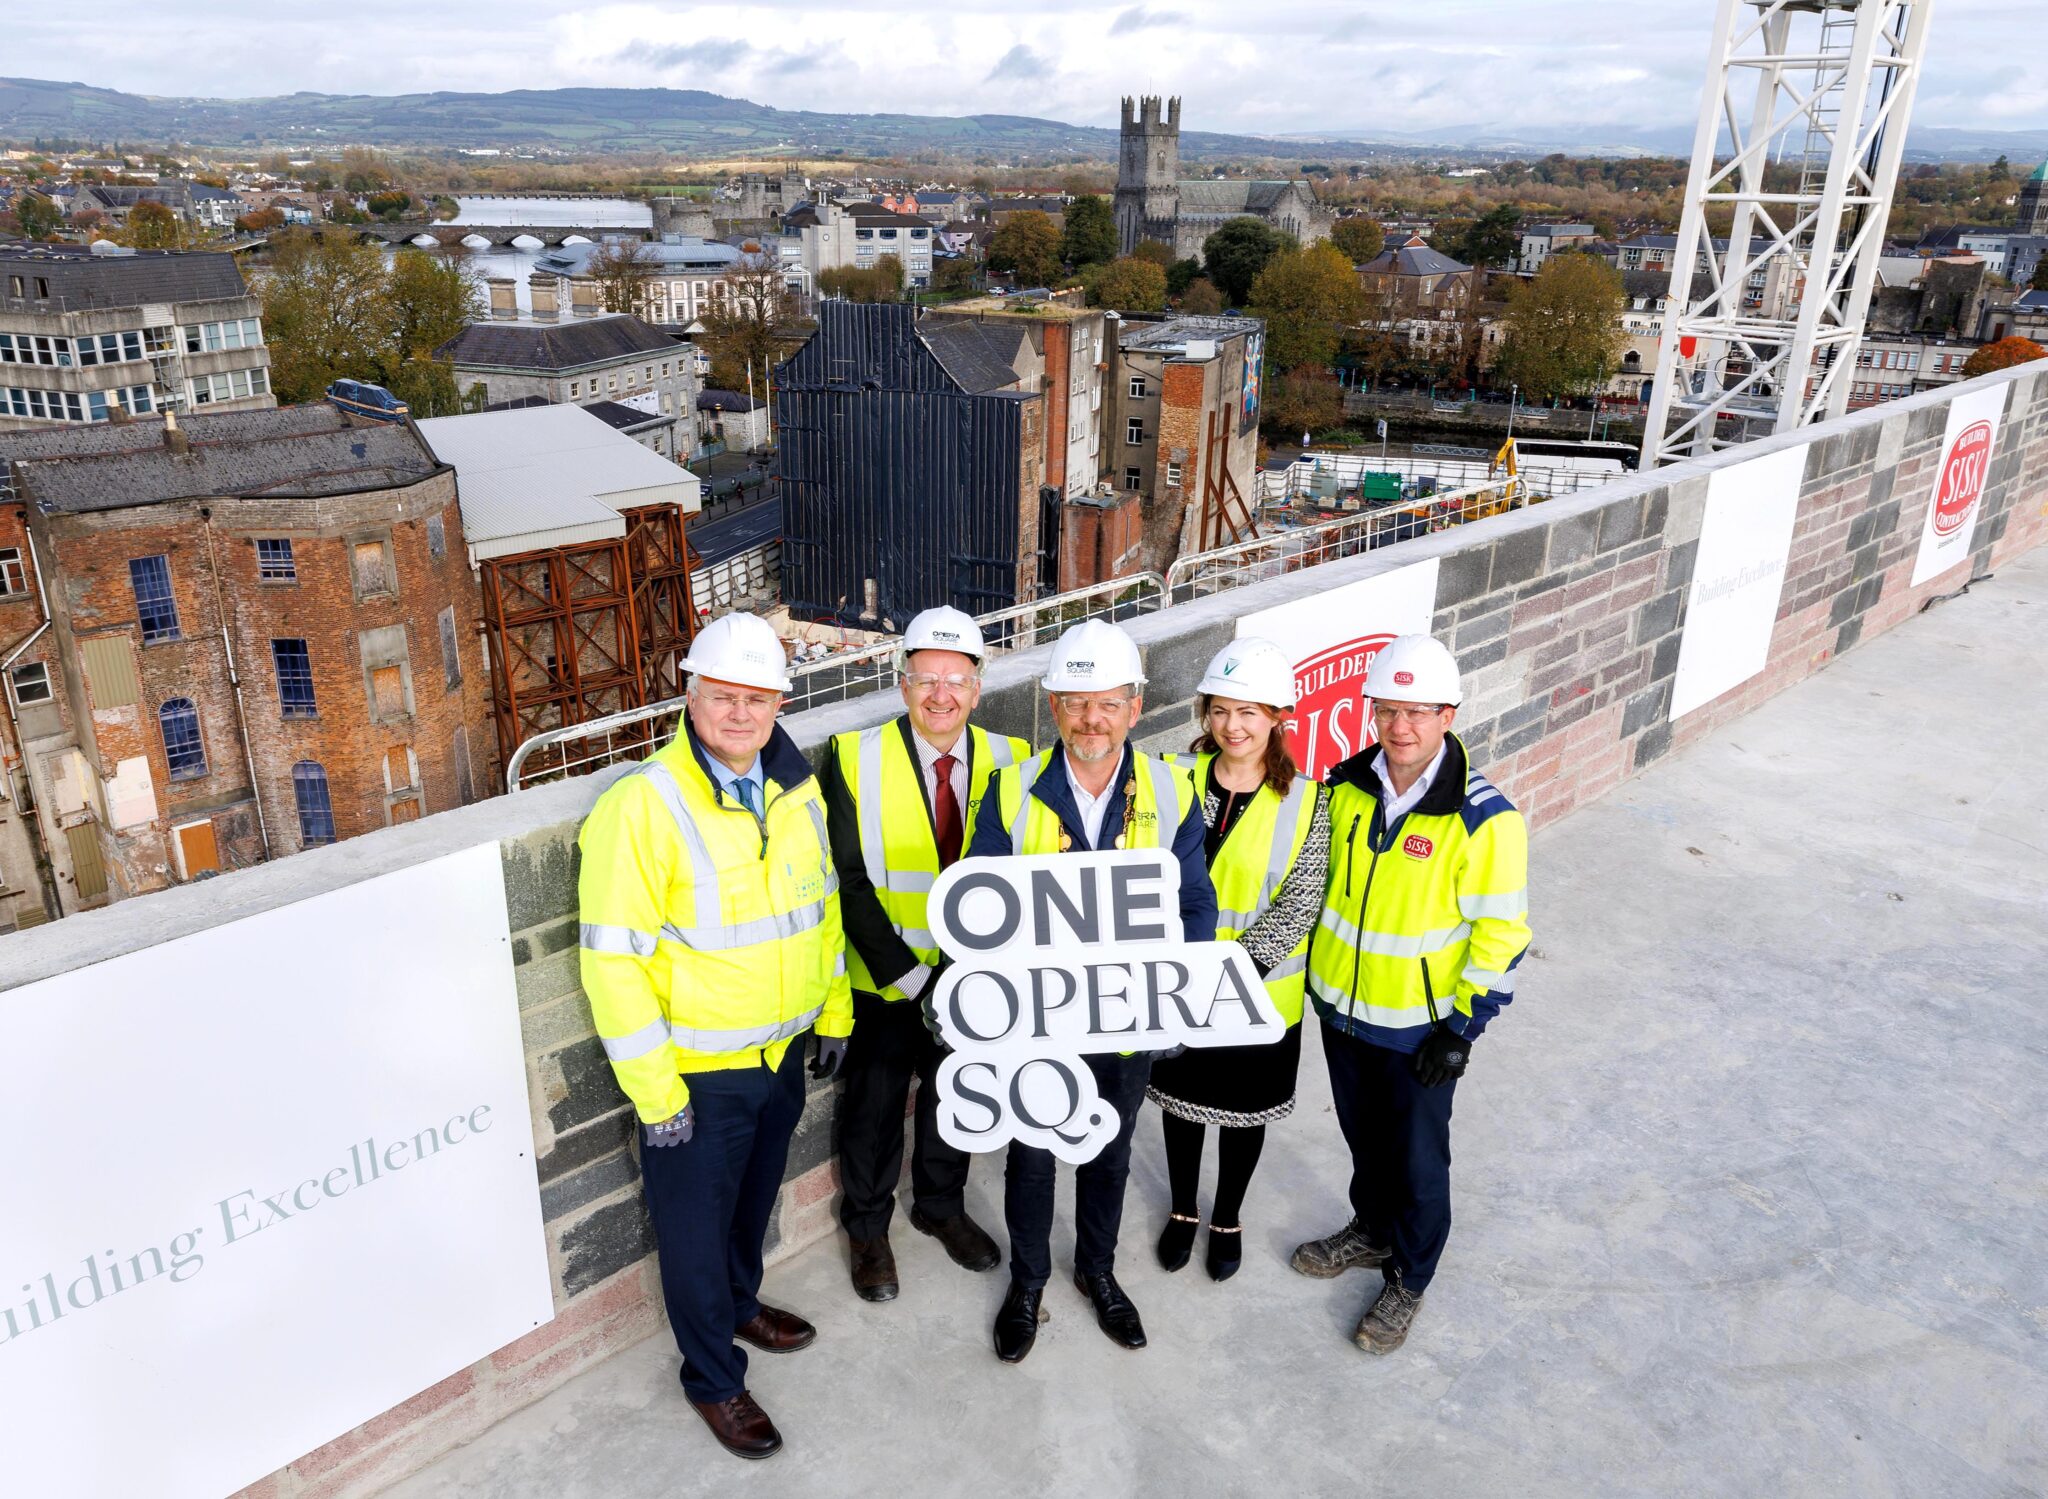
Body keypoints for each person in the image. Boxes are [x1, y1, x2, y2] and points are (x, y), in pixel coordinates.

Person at [576, 612, 853, 1460]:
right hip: (695, 1073)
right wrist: (657, 1096)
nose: (741, 713)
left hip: (777, 1060)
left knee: (749, 1207)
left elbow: (821, 903)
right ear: (690, 693)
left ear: (779, 700)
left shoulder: (794, 787)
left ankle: (741, 1303)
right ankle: (713, 1377)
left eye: (758, 697)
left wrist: (834, 1009)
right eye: (723, 695)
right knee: (693, 1236)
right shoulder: (641, 808)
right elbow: (612, 965)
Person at [964, 618, 1215, 1364]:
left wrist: (1173, 991)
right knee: (1033, 1155)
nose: (1090, 718)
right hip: (1039, 1024)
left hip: (1124, 1021)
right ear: (1052, 707)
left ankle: (1098, 1271)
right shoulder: (1010, 791)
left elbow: (1194, 904)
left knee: (1107, 1150)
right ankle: (1029, 1282)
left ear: (1134, 708)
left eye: (1106, 702)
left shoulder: (1170, 790)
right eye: (1075, 702)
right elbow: (979, 903)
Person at [1292, 634, 1530, 1355]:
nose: (1400, 727)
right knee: (1365, 1138)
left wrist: (1462, 1027)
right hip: (1341, 1011)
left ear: (1448, 714)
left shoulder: (1484, 818)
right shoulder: (1345, 786)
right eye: (1387, 710)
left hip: (1419, 1031)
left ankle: (1409, 1277)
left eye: (1418, 712)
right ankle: (1370, 1229)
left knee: (1419, 1161)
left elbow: (1501, 933)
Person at [819, 606, 1033, 1302]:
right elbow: (847, 880)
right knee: (874, 1105)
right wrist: (914, 979)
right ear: (902, 681)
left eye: (957, 679)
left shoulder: (1015, 760)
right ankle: (868, 1227)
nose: (941, 694)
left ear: (978, 687)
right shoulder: (852, 757)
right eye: (926, 678)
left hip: (972, 977)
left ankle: (940, 1205)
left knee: (954, 1095)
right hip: (888, 981)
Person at [1147, 638, 1329, 1282]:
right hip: (1179, 983)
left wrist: (1232, 971)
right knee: (1182, 1105)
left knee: (1242, 1116)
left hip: (1258, 994)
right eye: (1220, 710)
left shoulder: (1309, 801)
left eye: (1250, 712)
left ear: (1278, 717)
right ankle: (1183, 1212)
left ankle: (1227, 1216)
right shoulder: (1168, 778)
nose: (1233, 726)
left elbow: (1300, 902)